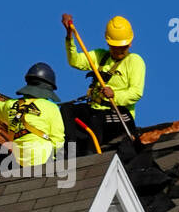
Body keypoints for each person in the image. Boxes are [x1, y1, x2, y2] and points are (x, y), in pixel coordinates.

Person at [60, 13, 145, 143]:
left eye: (123, 47)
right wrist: (69, 37)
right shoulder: (100, 56)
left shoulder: (135, 61)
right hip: (95, 109)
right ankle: (71, 150)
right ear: (108, 43)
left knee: (96, 120)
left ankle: (93, 153)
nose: (119, 50)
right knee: (67, 110)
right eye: (115, 47)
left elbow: (136, 93)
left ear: (130, 44)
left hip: (121, 115)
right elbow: (75, 61)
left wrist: (114, 95)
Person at [0, 62, 66, 167]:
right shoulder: (51, 108)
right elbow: (58, 140)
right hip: (43, 163)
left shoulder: (11, 105)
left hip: (19, 164)